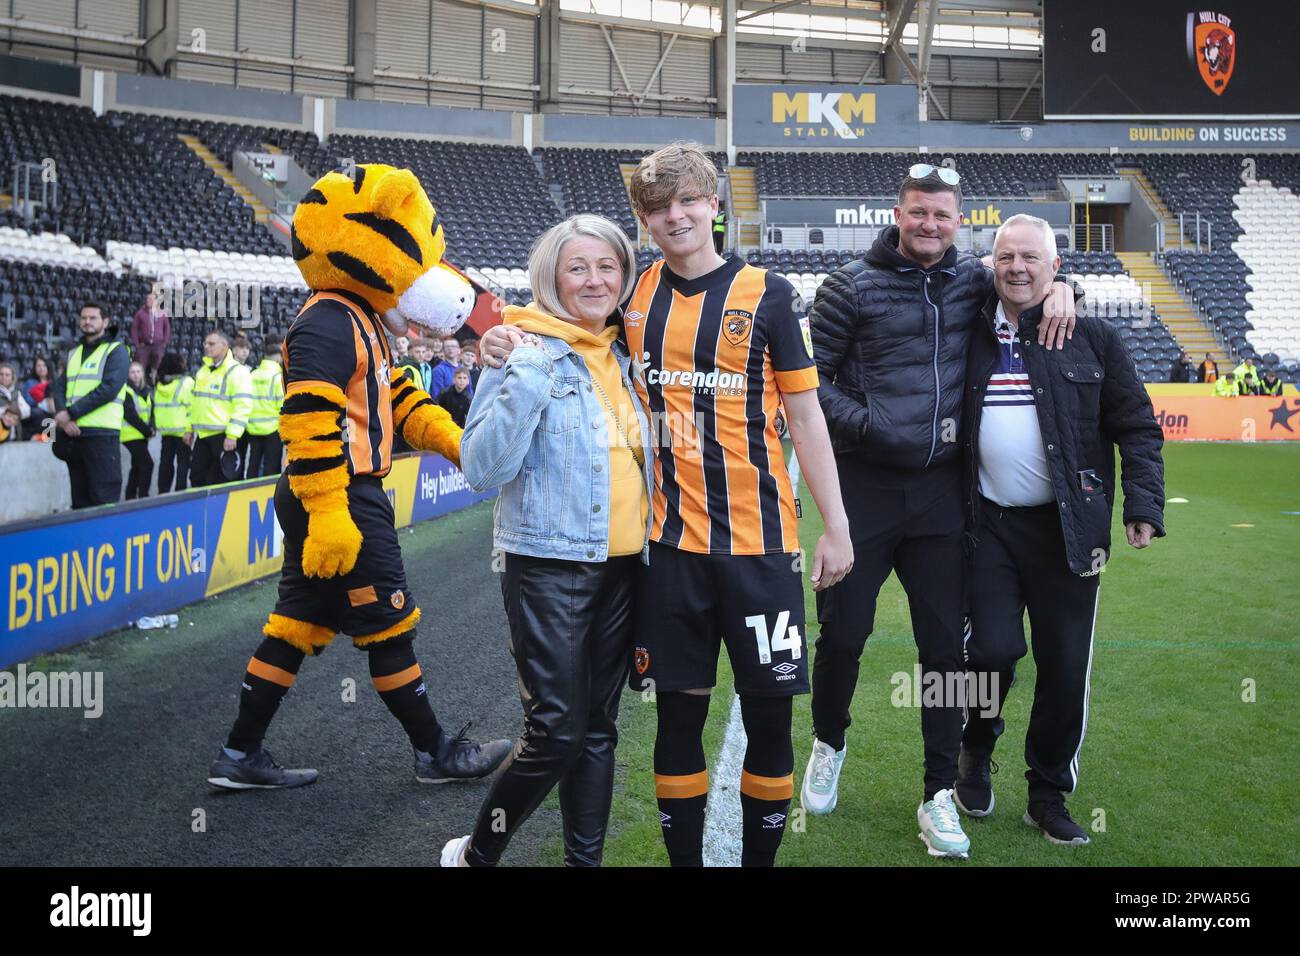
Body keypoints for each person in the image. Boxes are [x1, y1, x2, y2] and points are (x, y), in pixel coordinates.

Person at [482, 142, 854, 868]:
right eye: (657, 208)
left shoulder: (771, 297)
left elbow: (807, 418)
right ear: (645, 222)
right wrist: (503, 330)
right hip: (671, 553)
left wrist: (836, 526)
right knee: (676, 721)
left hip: (762, 549)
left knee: (772, 724)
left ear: (715, 206)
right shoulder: (634, 297)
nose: (675, 216)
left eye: (688, 201)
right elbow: (569, 322)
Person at [207, 159, 510, 792]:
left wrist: (464, 447)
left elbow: (402, 403)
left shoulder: (361, 318)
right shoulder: (327, 320)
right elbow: (307, 421)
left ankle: (239, 755)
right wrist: (329, 514)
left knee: (297, 626)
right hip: (338, 495)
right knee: (389, 626)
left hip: (338, 494)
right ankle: (436, 754)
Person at [802, 164, 1075, 858]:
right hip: (861, 491)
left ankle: (936, 795)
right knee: (843, 635)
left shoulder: (976, 284)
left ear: (960, 223)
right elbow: (806, 386)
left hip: (939, 497)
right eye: (917, 212)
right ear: (897, 213)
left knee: (946, 654)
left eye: (942, 215)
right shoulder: (847, 286)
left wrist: (1064, 288)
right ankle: (829, 741)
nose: (928, 225)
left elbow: (1027, 280)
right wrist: (871, 427)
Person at [444, 215, 652, 868]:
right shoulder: (521, 349)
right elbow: (481, 466)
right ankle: (479, 853)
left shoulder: (626, 350)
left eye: (607, 266)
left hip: (627, 568)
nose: (595, 280)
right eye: (578, 268)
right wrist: (525, 372)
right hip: (549, 566)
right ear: (551, 278)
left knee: (597, 732)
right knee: (556, 731)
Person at [955, 215, 1165, 844]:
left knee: (1065, 666)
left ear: (1055, 267)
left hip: (1070, 533)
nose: (1017, 267)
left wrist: (1144, 506)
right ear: (991, 264)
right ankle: (975, 743)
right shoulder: (969, 332)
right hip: (985, 526)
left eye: (1031, 259)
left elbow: (1137, 425)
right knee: (990, 651)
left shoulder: (1092, 337)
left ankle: (1046, 794)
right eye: (1006, 257)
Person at [53, 302, 129, 508]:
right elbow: (59, 386)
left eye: (93, 318)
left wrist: (70, 413)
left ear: (105, 322)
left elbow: (109, 389)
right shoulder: (74, 352)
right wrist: (62, 415)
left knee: (103, 499)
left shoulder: (117, 350)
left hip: (101, 435)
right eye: (84, 318)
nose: (87, 322)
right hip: (73, 433)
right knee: (79, 499)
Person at [189, 330, 253, 487]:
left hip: (223, 436)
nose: (206, 347)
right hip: (202, 436)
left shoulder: (238, 372)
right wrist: (189, 428)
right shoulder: (203, 371)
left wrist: (232, 435)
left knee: (222, 480)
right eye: (205, 343)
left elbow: (242, 406)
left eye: (211, 344)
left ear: (224, 346)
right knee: (197, 478)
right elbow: (195, 403)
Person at [153, 352, 194, 494]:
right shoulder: (186, 383)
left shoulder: (159, 385)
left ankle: (162, 493)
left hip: (166, 431)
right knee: (183, 463)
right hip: (183, 431)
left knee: (165, 463)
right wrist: (190, 429)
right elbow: (192, 409)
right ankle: (180, 493)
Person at [246, 333, 285, 478]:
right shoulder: (278, 377)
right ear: (278, 357)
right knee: (271, 468)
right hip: (272, 429)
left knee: (252, 466)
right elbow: (282, 405)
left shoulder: (252, 374)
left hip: (252, 428)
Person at [120, 360, 155, 499]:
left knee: (136, 467)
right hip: (130, 435)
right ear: (128, 375)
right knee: (147, 464)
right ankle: (143, 496)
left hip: (141, 435)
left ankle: (130, 496)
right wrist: (147, 430)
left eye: (138, 371)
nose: (136, 375)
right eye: (132, 372)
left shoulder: (146, 390)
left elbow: (150, 411)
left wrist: (151, 427)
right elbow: (130, 415)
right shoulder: (126, 391)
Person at [130, 292, 171, 382]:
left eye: (152, 299)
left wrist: (165, 342)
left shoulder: (162, 313)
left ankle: (154, 382)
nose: (149, 301)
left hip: (158, 345)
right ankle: (141, 383)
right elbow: (134, 329)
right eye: (148, 299)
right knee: (140, 364)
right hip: (144, 345)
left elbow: (167, 328)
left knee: (158, 363)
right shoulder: (140, 313)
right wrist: (136, 344)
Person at [22, 355, 53, 438]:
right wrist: (42, 401)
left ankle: (51, 439)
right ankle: (39, 437)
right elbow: (27, 401)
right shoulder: (30, 383)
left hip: (52, 411)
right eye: (38, 365)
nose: (41, 368)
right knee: (39, 413)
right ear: (35, 368)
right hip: (36, 412)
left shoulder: (54, 382)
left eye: (44, 365)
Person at [0, 362, 30, 437]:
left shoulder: (17, 393)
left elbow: (27, 411)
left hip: (16, 433)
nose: (4, 377)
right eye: (1, 374)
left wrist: (10, 411)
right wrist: (9, 410)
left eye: (7, 375)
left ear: (12, 377)